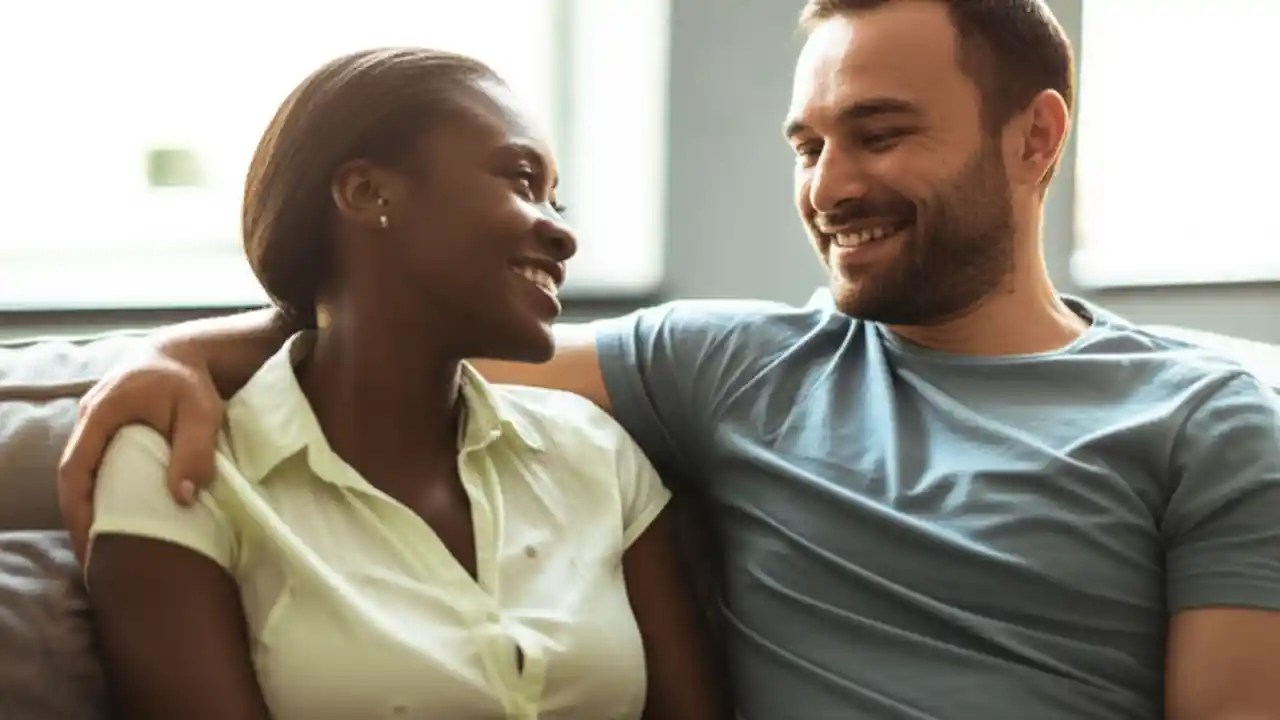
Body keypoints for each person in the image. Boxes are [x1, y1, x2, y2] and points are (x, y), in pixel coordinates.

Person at [60, 1, 1280, 718]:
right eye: (805, 142)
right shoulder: (729, 367)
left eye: (878, 132)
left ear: (1036, 137)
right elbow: (404, 328)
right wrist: (170, 357)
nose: (829, 184)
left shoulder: (1206, 420)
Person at [76, 47, 725, 720]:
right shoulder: (180, 468)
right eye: (523, 182)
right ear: (367, 193)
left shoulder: (598, 455)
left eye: (555, 200)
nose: (563, 236)